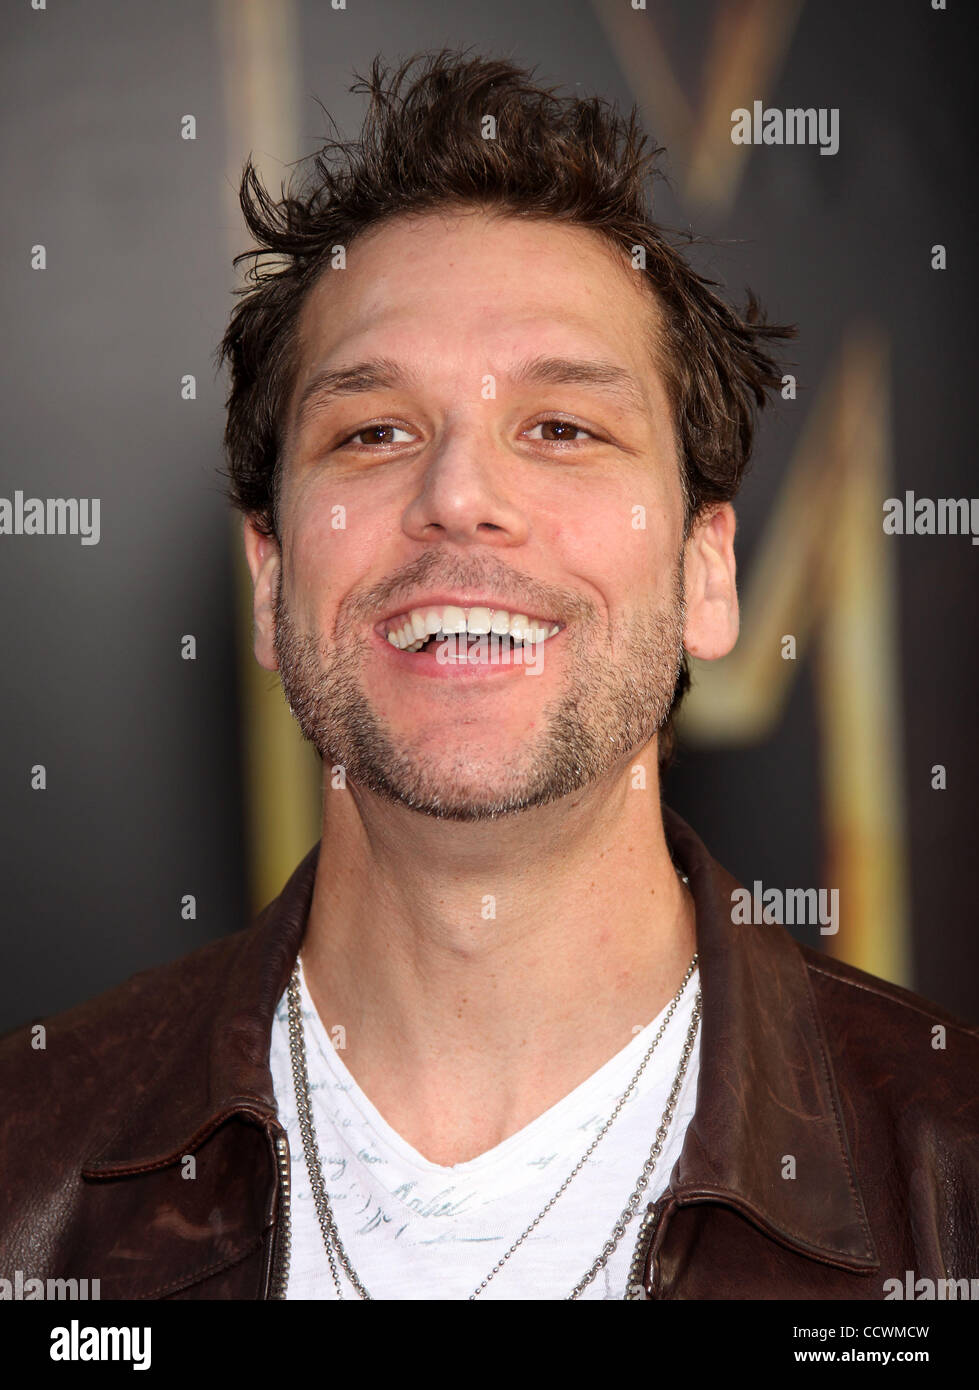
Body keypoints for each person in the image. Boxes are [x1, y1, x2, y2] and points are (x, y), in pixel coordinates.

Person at [1, 50, 975, 1302]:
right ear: (270, 581)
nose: (457, 496)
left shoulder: (949, 1182)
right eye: (373, 431)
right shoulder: (30, 1166)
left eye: (562, 429)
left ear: (707, 575)